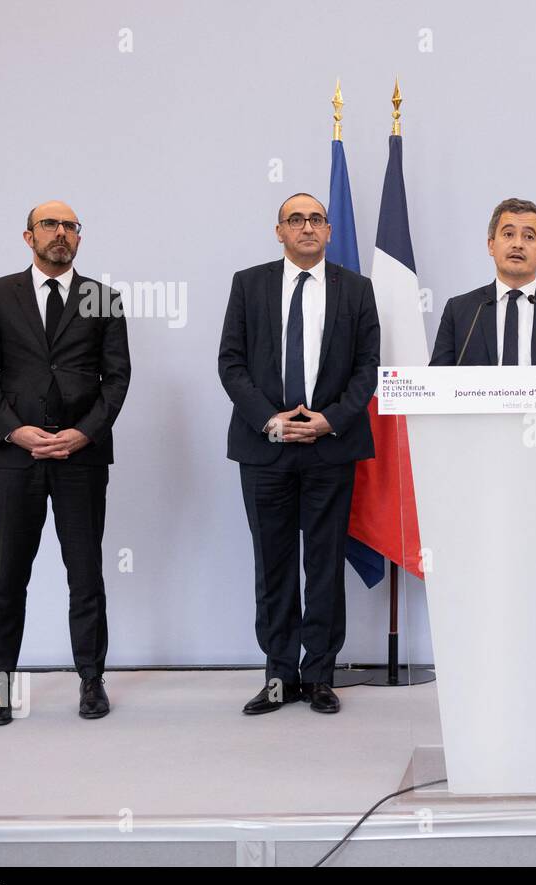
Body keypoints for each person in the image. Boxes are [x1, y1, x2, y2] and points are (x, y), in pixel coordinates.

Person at [0, 201, 131, 724]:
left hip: (81, 458)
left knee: (85, 575)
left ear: (78, 238)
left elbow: (117, 379)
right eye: (49, 226)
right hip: (15, 459)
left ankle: (91, 683)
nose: (60, 234)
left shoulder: (102, 299)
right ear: (27, 236)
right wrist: (14, 430)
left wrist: (83, 434)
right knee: (8, 576)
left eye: (69, 227)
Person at [217, 193, 380, 716]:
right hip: (265, 448)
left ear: (329, 232)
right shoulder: (249, 284)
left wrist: (331, 419)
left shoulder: (356, 290)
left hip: (330, 448)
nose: (307, 227)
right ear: (279, 231)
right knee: (274, 563)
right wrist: (272, 420)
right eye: (296, 219)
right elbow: (231, 364)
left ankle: (321, 675)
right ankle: (279, 675)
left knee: (325, 563)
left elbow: (366, 368)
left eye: (316, 219)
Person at [429, 198, 536, 366]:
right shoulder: (459, 311)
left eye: (529, 236)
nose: (518, 244)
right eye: (508, 234)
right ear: (491, 246)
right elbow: (437, 381)